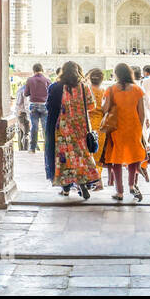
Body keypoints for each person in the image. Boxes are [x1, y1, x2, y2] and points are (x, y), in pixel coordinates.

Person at [43, 61, 99, 199]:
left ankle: (66, 189)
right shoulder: (83, 87)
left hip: (62, 129)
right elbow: (92, 106)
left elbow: (49, 107)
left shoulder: (55, 87)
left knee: (64, 159)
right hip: (80, 128)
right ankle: (83, 184)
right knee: (80, 156)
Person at [100, 63, 148, 202]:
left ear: (117, 74)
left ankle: (119, 192)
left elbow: (105, 109)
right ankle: (132, 185)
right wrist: (140, 129)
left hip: (117, 128)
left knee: (117, 159)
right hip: (133, 128)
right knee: (133, 158)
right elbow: (142, 113)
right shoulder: (137, 90)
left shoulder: (111, 89)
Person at [86, 68, 107, 180]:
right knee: (98, 153)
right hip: (100, 125)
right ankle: (97, 179)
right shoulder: (104, 91)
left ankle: (90, 178)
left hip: (88, 124)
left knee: (87, 153)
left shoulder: (86, 90)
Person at [25, 63, 50, 151]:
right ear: (42, 70)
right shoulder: (47, 80)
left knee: (34, 127)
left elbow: (26, 93)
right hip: (44, 105)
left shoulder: (30, 80)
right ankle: (47, 148)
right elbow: (50, 93)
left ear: (33, 70)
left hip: (33, 105)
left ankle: (32, 148)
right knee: (45, 127)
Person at [14, 80, 31, 151]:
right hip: (24, 114)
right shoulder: (25, 91)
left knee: (20, 133)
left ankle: (21, 150)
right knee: (26, 133)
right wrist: (29, 117)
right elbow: (26, 105)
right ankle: (25, 151)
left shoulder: (19, 89)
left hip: (19, 113)